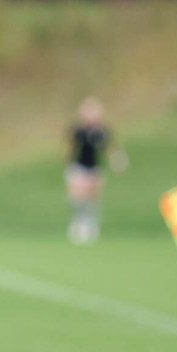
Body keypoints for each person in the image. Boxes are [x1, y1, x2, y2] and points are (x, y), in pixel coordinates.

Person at [63, 97, 125, 244]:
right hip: (79, 166)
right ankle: (78, 224)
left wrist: (117, 161)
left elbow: (111, 148)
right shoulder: (78, 130)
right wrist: (68, 164)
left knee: (93, 197)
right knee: (78, 196)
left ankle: (91, 226)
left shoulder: (102, 132)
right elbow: (70, 147)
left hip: (95, 167)